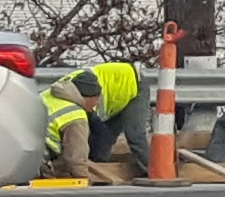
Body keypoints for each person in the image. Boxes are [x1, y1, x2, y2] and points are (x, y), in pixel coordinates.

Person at [42, 53, 152, 185]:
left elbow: (99, 135)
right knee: (97, 137)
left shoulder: (58, 90)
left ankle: (153, 172)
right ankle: (98, 164)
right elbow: (76, 158)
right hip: (39, 151)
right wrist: (85, 178)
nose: (97, 102)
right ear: (88, 98)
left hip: (134, 84)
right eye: (95, 100)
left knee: (135, 135)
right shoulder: (75, 115)